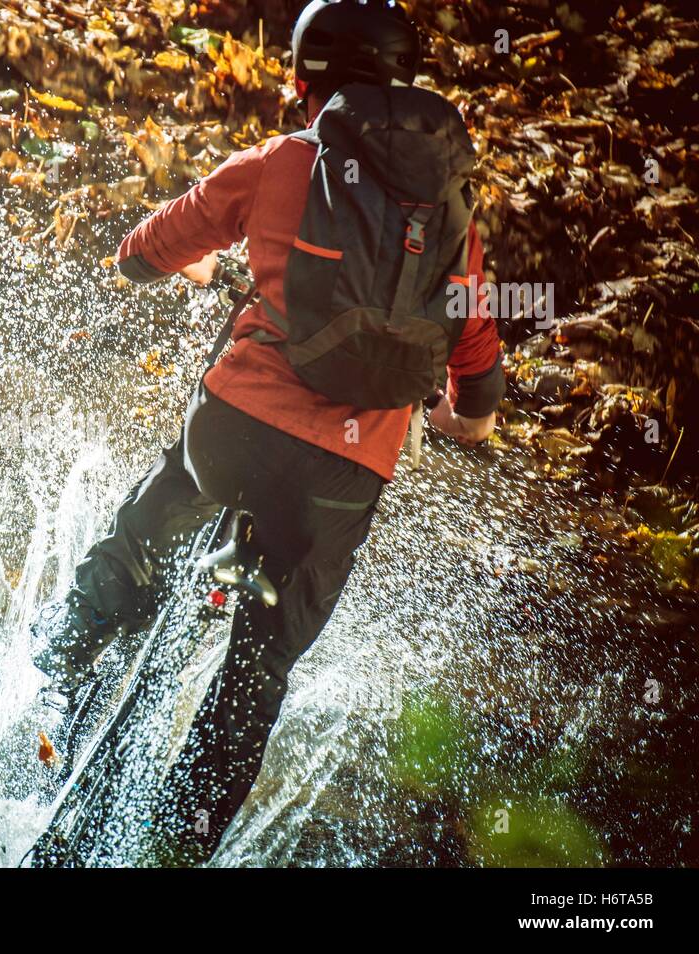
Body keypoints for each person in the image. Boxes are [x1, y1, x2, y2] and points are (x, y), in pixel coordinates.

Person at [29, 0, 506, 864]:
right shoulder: (447, 206)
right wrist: (464, 417)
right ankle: (179, 843)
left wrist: (190, 260)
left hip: (240, 433)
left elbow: (145, 249)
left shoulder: (281, 163)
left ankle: (55, 669)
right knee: (260, 672)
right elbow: (476, 345)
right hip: (346, 475)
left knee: (156, 516)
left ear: (304, 77)